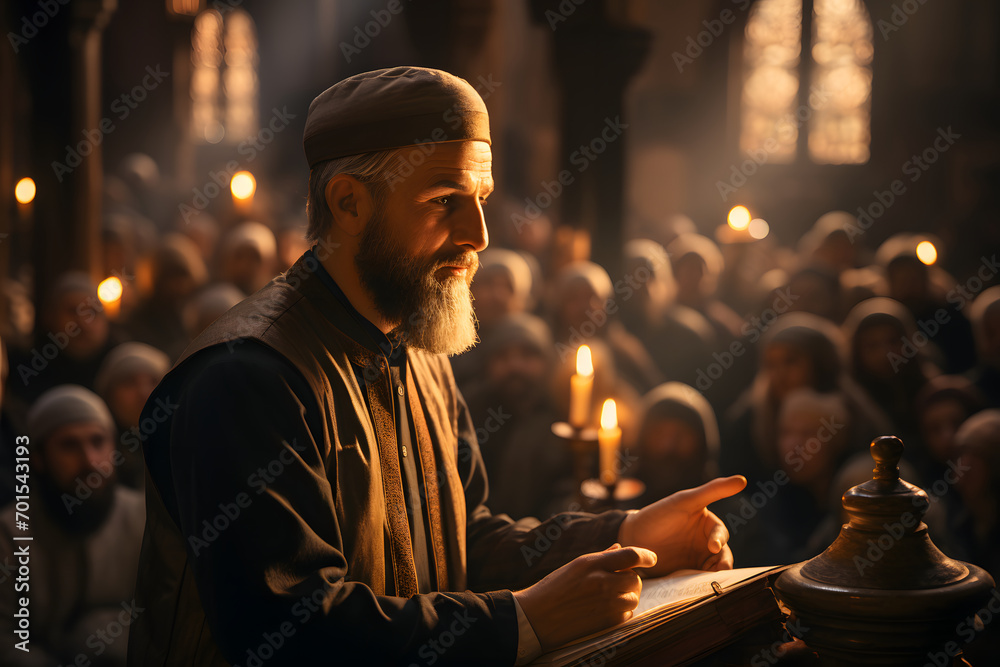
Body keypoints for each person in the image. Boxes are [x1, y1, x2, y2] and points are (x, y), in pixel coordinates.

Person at [127, 67, 746, 666]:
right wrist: (524, 620)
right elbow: (288, 628)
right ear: (349, 203)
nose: (478, 233)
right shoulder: (246, 376)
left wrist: (627, 535)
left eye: (481, 199)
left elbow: (464, 541)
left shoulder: (419, 346)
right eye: (445, 200)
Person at [0, 385, 145, 667]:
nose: (89, 461)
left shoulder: (144, 521)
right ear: (39, 458)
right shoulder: (9, 535)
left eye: (98, 441)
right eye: (69, 445)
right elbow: (5, 639)